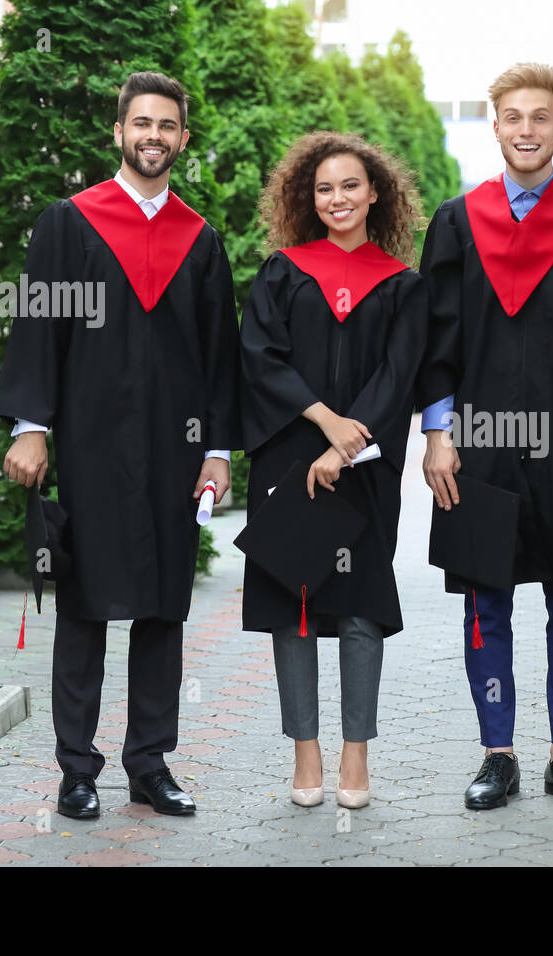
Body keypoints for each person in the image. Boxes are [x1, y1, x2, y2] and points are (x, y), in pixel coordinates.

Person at [0, 71, 242, 819]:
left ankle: (149, 764)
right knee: (85, 607)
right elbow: (39, 327)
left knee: (164, 608)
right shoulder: (70, 224)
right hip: (91, 444)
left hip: (175, 448)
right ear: (119, 133)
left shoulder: (200, 241)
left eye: (167, 125)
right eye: (142, 123)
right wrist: (31, 426)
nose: (154, 137)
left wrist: (219, 450)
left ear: (183, 139)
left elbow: (220, 356)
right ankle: (77, 770)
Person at [418, 63, 553, 812]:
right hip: (477, 440)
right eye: (512, 116)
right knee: (487, 600)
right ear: (496, 124)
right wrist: (437, 433)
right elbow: (436, 337)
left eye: (539, 117)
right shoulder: (456, 220)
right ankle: (498, 754)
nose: (525, 130)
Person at [238, 132, 426, 810]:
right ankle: (305, 754)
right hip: (291, 458)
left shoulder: (402, 284)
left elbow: (399, 374)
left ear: (375, 192)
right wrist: (325, 424)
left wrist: (347, 444)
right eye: (324, 189)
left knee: (359, 609)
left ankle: (356, 758)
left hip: (367, 463)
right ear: (306, 199)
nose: (337, 198)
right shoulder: (283, 272)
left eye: (350, 185)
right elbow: (260, 360)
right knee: (294, 607)